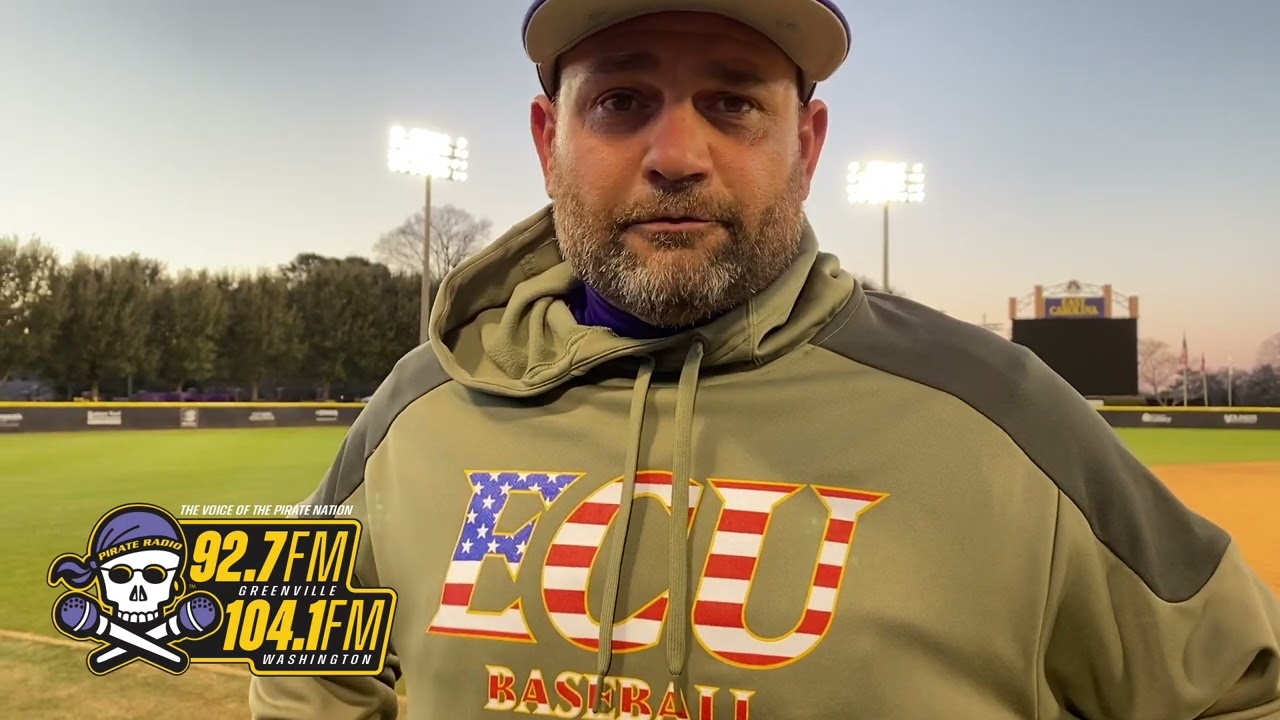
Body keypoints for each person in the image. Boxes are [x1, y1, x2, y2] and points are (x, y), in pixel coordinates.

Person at [249, 1, 1280, 717]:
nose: (676, 155)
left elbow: (1239, 688)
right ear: (545, 138)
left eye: (734, 103)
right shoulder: (419, 405)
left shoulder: (1001, 414)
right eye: (620, 101)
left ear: (809, 144)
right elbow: (301, 666)